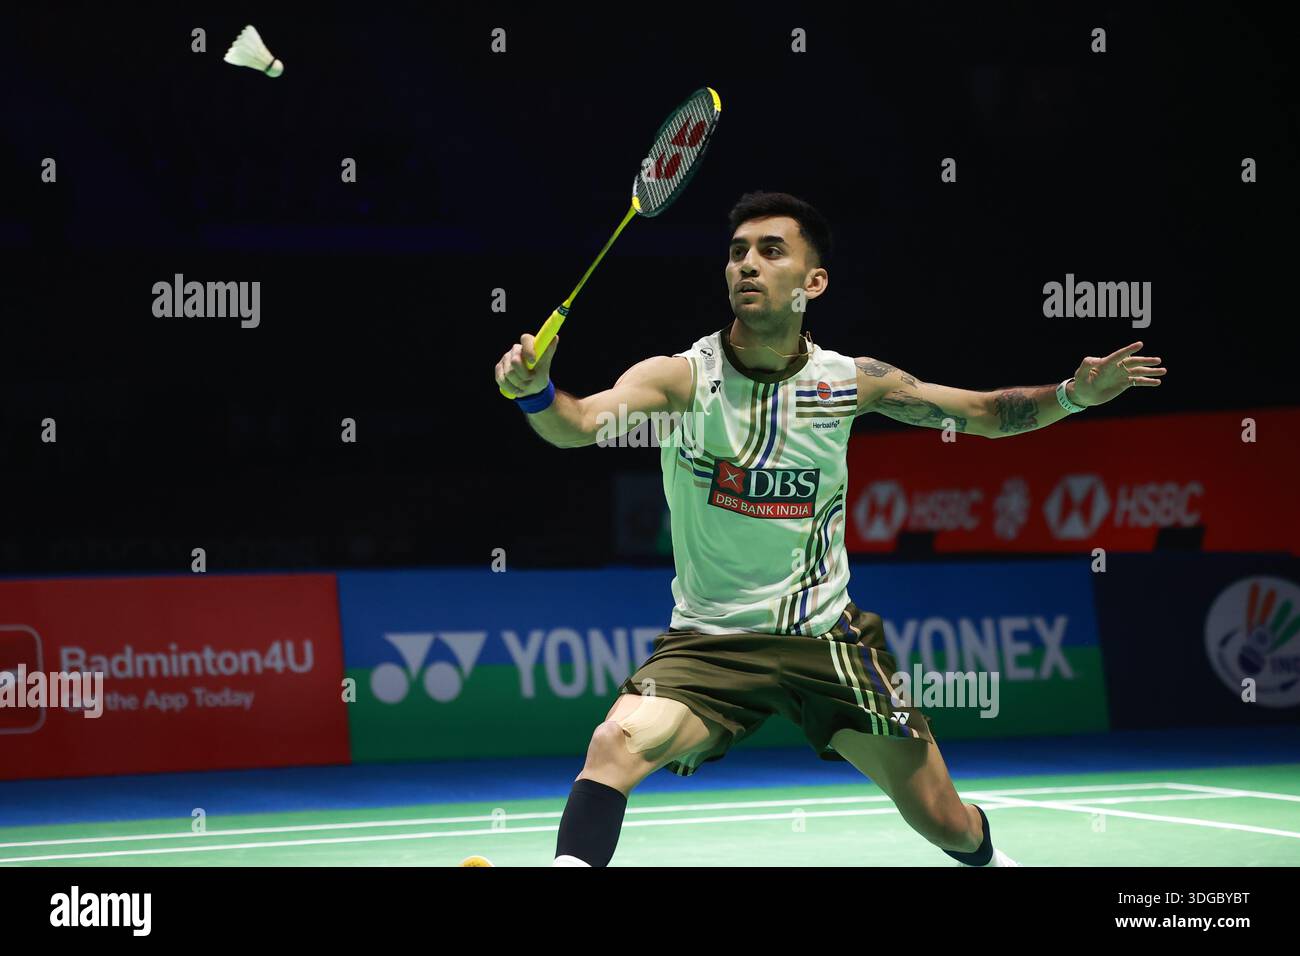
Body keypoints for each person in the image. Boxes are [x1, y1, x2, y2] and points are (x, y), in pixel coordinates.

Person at [491, 190, 1166, 867]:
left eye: (770, 251)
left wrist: (1077, 395)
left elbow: (986, 413)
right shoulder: (682, 380)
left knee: (947, 823)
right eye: (736, 253)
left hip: (827, 641)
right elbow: (577, 427)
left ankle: (992, 857)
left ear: (812, 283)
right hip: (712, 644)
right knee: (615, 744)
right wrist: (537, 393)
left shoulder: (848, 383)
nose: (747, 265)